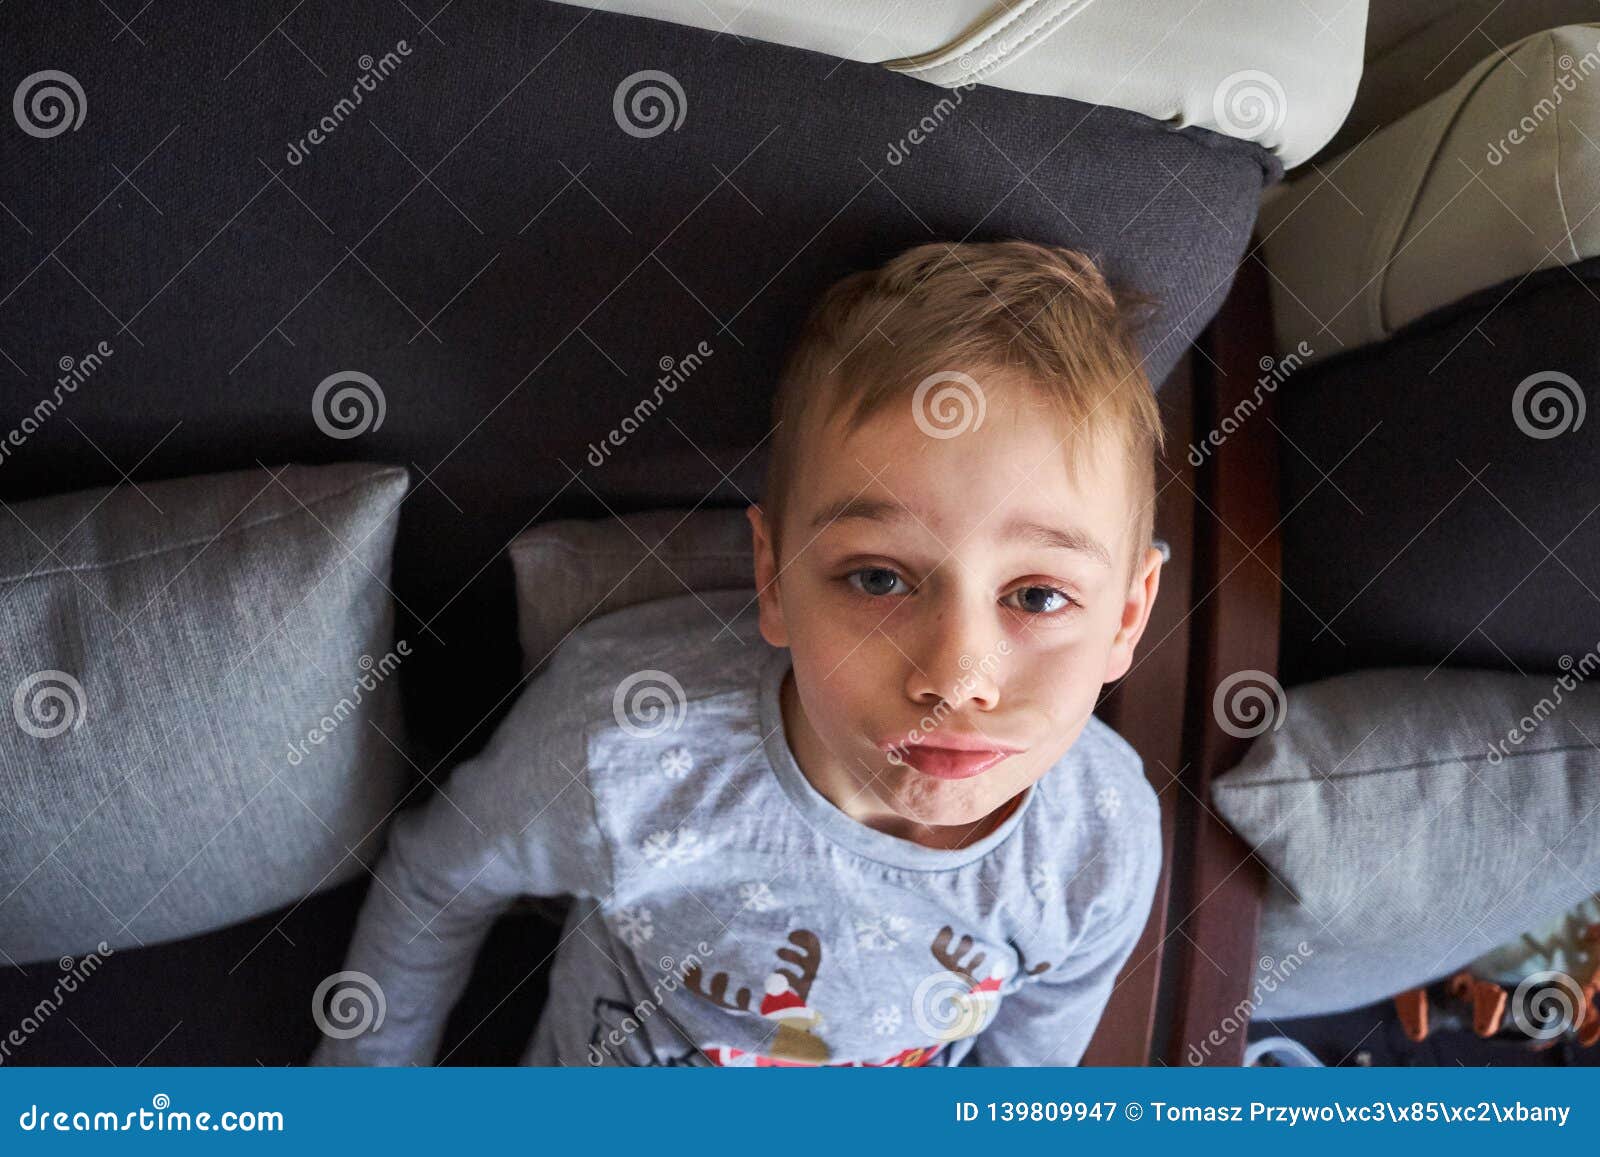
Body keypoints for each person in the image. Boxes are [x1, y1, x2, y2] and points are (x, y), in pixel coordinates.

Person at [310, 239, 1165, 1067]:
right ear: (775, 577)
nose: (954, 677)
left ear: (1126, 616)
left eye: (1039, 596)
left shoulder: (1101, 841)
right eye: (877, 578)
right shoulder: (626, 748)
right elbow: (438, 882)